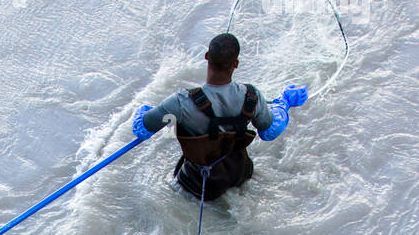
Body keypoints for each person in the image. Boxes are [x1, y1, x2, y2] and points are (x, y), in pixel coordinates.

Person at [131, 32, 308, 201]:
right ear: (236, 63)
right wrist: (284, 103)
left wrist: (146, 110)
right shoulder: (252, 96)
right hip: (241, 173)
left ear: (207, 56)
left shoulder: (180, 102)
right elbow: (269, 131)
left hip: (198, 185)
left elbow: (142, 128)